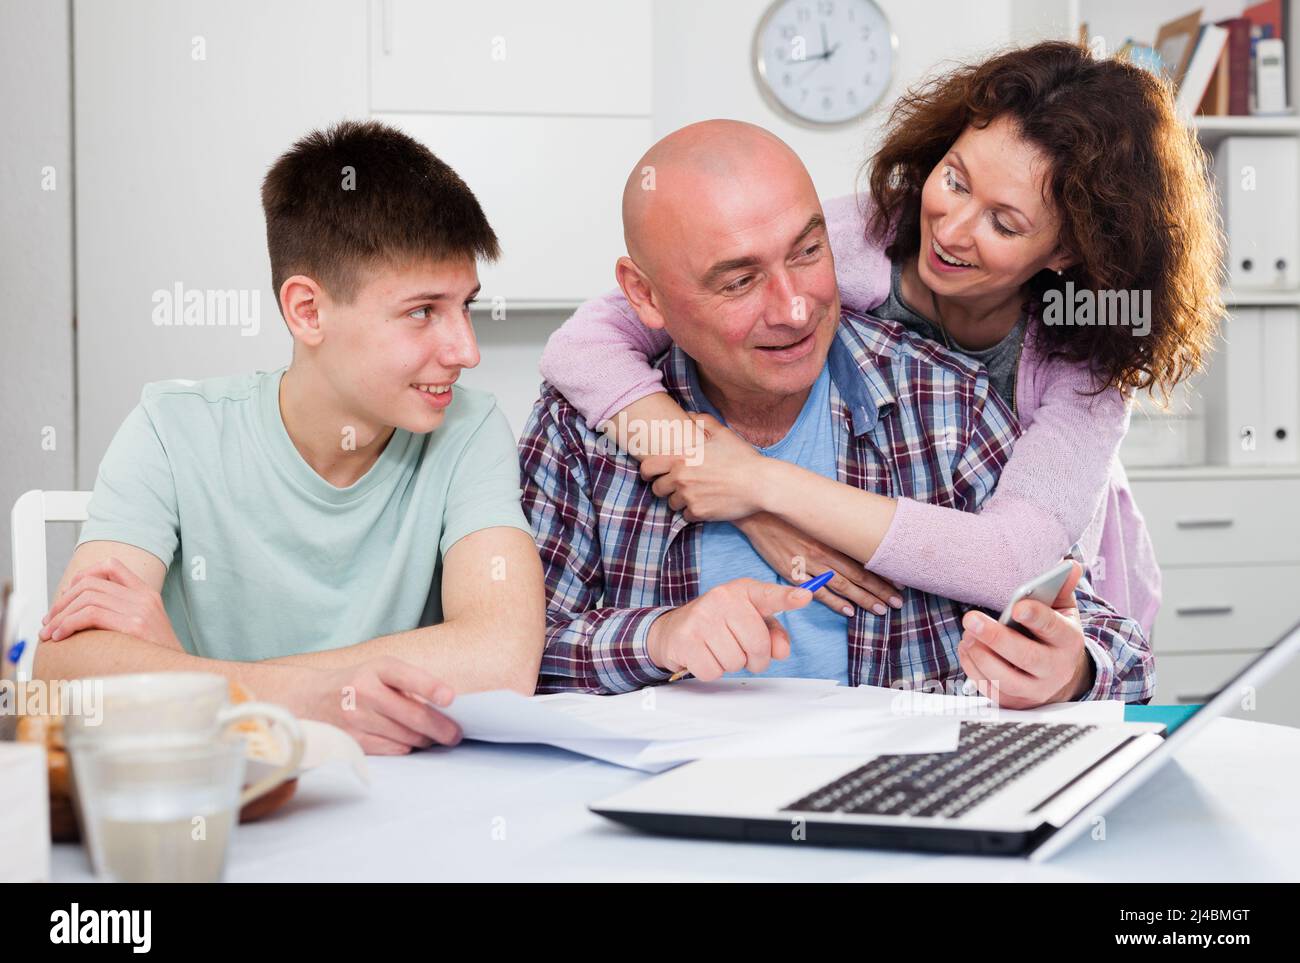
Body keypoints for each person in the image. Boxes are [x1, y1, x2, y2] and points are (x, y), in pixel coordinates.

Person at [538, 42, 1224, 637]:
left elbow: (1013, 560)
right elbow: (586, 341)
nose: (952, 229)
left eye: (1004, 224)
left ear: (1069, 250)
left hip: (1058, 598)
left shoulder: (1086, 359)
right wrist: (701, 461)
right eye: (953, 180)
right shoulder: (852, 238)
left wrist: (761, 485)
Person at [519, 118, 1153, 707]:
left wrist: (1071, 671)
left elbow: (1110, 640)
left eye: (806, 252)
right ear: (644, 296)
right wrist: (659, 637)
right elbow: (514, 657)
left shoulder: (954, 408)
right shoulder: (582, 430)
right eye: (739, 281)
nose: (794, 310)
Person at [35, 120, 546, 754]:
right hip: (227, 812)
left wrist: (187, 678)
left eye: (465, 305)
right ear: (308, 311)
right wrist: (311, 700)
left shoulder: (467, 430)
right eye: (422, 312)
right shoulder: (171, 430)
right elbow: (62, 677)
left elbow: (503, 656)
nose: (465, 350)